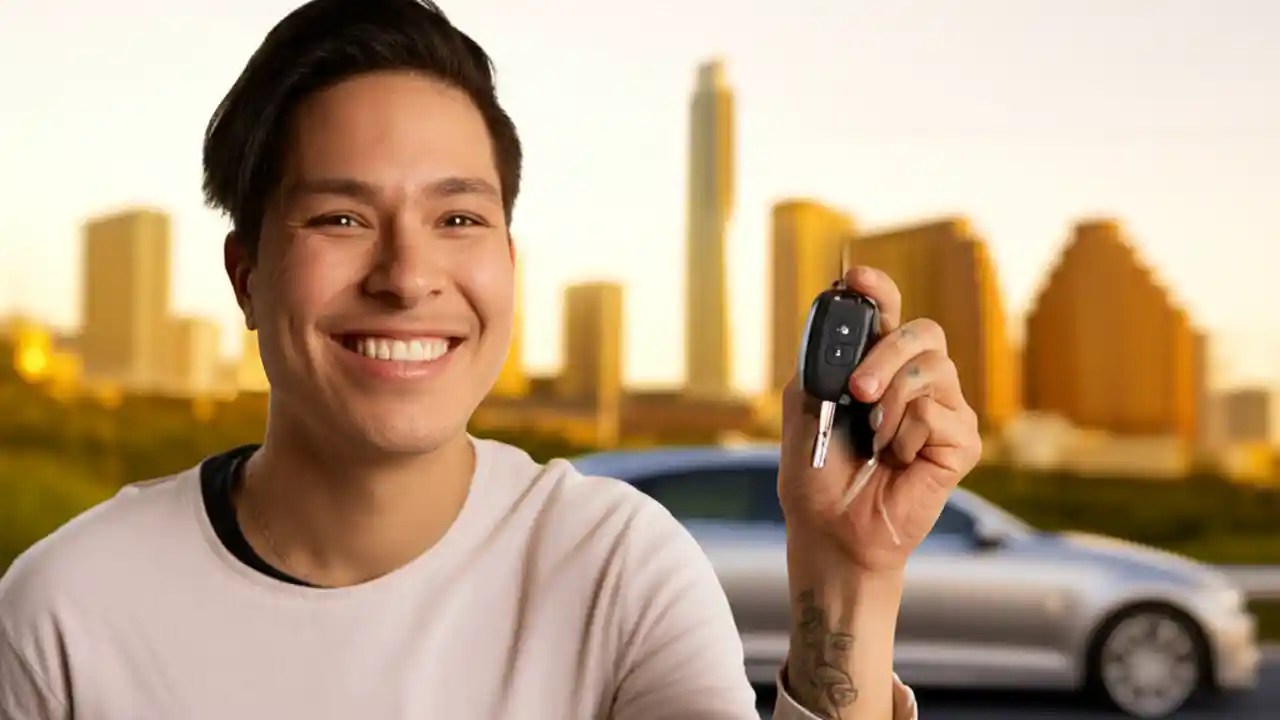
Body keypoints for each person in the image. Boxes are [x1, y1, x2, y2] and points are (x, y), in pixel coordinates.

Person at [0, 1, 982, 718]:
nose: (406, 276)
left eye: (458, 219)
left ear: (507, 265)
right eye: (341, 218)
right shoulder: (69, 610)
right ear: (246, 276)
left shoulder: (614, 569)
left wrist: (848, 577)